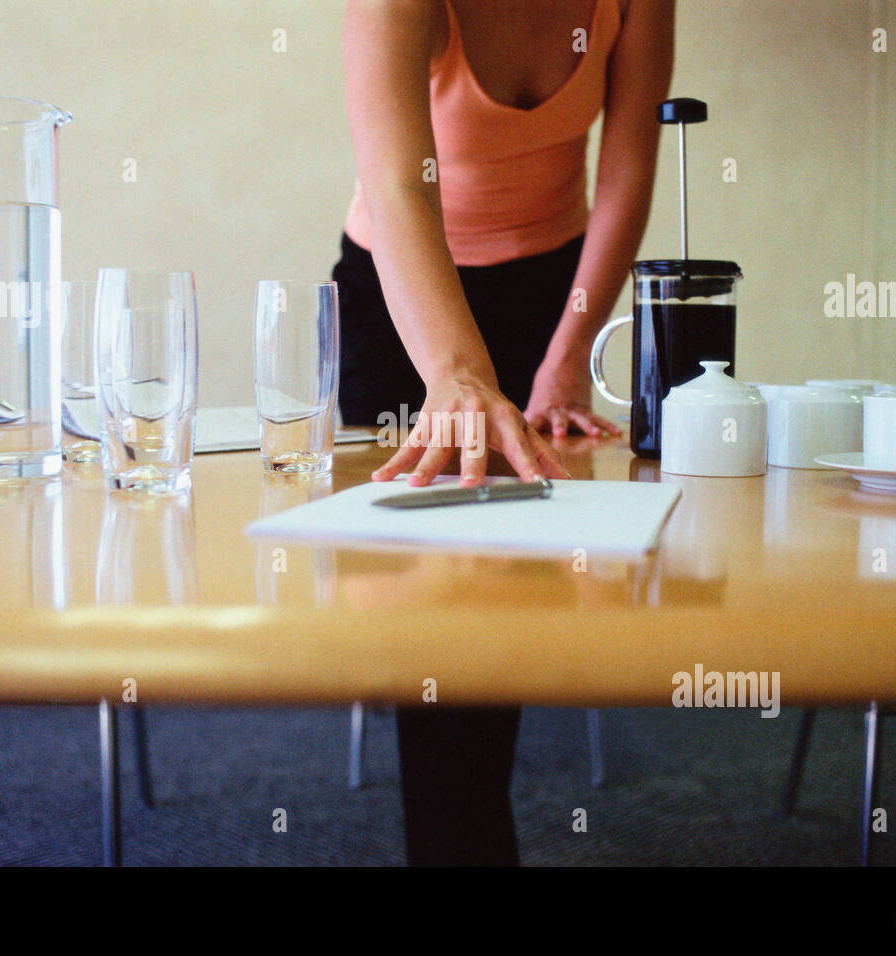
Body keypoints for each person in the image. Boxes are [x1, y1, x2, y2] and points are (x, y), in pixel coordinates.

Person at [333, 0, 675, 865]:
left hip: (553, 298)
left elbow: (626, 174)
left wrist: (567, 355)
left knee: (506, 580)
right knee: (439, 599)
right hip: (405, 298)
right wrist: (455, 373)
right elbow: (399, 182)